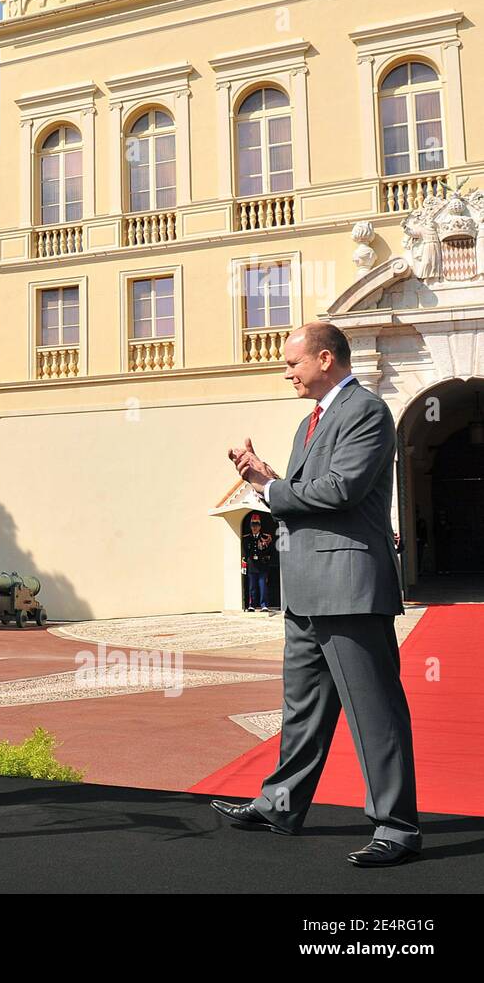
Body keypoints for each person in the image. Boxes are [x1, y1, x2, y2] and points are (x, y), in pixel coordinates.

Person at [219, 321, 419, 868]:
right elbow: (310, 492)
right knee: (302, 710)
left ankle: (397, 828)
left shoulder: (366, 411)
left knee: (374, 713)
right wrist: (264, 476)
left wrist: (272, 488)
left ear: (326, 359)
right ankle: (280, 804)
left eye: (293, 364)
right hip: (307, 588)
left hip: (351, 588)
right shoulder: (309, 425)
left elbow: (341, 489)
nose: (287, 372)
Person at [241, 513, 275, 612]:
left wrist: (267, 561)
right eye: (253, 525)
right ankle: (252, 605)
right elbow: (245, 553)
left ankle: (264, 605)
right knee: (252, 587)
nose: (254, 527)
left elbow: (270, 552)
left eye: (256, 525)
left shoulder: (266, 537)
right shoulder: (246, 538)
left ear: (260, 526)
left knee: (262, 586)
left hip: (262, 566)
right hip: (251, 565)